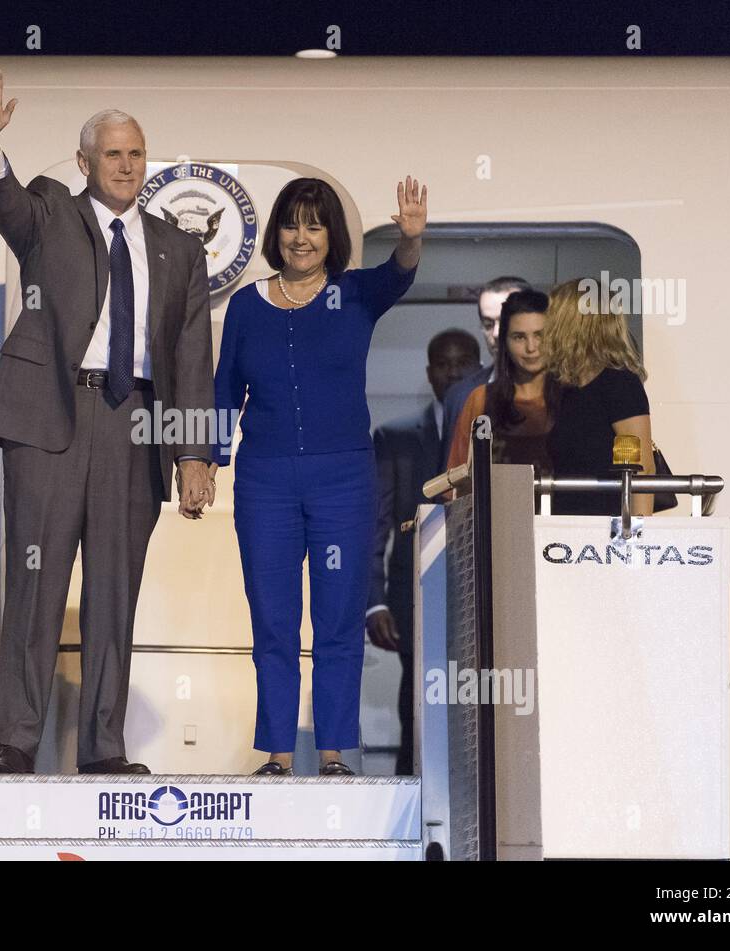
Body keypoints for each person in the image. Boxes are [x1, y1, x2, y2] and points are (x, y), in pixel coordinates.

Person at [0, 66, 216, 775]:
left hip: (135, 424)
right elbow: (3, 203)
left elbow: (193, 358)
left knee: (115, 592)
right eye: (113, 153)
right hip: (52, 416)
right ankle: (14, 743)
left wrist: (193, 454)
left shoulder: (179, 248)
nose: (127, 165)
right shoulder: (50, 212)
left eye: (136, 153)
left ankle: (103, 749)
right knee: (37, 583)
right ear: (84, 163)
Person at [212, 175, 427, 776]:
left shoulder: (355, 294)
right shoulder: (247, 306)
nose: (300, 237)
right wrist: (205, 460)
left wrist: (411, 238)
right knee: (272, 621)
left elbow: (400, 271)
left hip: (343, 482)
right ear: (274, 234)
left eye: (313, 224)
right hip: (265, 483)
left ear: (332, 235)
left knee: (336, 620)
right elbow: (225, 388)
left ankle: (332, 754)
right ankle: (279, 756)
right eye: (290, 224)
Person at [368, 329, 480, 775]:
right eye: (444, 363)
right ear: (429, 373)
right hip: (409, 593)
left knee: (472, 700)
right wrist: (374, 600)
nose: (453, 372)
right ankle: (410, 804)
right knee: (416, 698)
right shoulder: (394, 436)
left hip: (474, 585)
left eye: (464, 363)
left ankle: (469, 795)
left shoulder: (493, 430)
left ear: (479, 369)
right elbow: (375, 525)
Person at [543, 278, 654, 516]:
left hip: (607, 531)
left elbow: (641, 470)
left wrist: (638, 537)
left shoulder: (619, 384)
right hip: (565, 528)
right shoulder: (565, 388)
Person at [446, 289, 557, 480]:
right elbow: (457, 481)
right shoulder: (480, 399)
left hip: (564, 508)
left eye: (540, 335)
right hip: (494, 509)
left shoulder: (574, 398)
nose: (531, 347)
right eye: (519, 337)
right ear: (504, 341)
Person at [439, 276, 532, 468]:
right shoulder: (460, 395)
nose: (496, 333)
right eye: (489, 324)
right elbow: (449, 479)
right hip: (477, 495)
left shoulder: (561, 388)